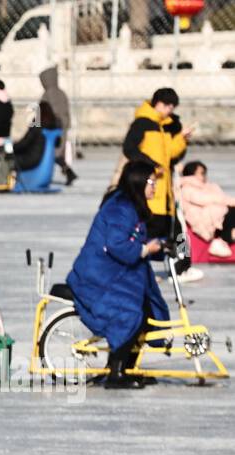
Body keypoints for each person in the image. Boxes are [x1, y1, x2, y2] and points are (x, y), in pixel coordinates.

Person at [66, 161, 169, 391]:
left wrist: (158, 247)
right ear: (139, 182)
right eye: (151, 182)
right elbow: (117, 245)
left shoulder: (131, 206)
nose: (154, 187)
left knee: (148, 308)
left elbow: (133, 241)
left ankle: (128, 367)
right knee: (129, 313)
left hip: (115, 271)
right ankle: (117, 373)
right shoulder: (120, 208)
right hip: (98, 277)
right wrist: (145, 250)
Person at [121, 88, 191, 244]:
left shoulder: (163, 126)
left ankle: (179, 265)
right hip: (147, 187)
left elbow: (170, 154)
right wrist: (151, 166)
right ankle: (141, 260)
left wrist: (182, 139)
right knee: (147, 232)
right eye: (167, 106)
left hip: (164, 189)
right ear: (158, 103)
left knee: (172, 233)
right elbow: (129, 148)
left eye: (172, 108)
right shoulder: (142, 123)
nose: (170, 111)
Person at [178, 162, 235, 259]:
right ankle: (225, 239)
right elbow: (203, 199)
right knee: (230, 210)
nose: (204, 175)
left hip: (216, 216)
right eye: (201, 173)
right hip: (204, 219)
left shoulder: (209, 186)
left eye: (205, 172)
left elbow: (219, 198)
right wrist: (229, 201)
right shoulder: (186, 188)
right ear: (192, 173)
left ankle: (227, 238)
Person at [38, 67, 76, 185]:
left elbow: (44, 112)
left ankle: (68, 173)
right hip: (62, 126)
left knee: (51, 153)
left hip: (52, 128)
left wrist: (37, 126)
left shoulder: (48, 94)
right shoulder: (61, 93)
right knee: (58, 152)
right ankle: (68, 172)